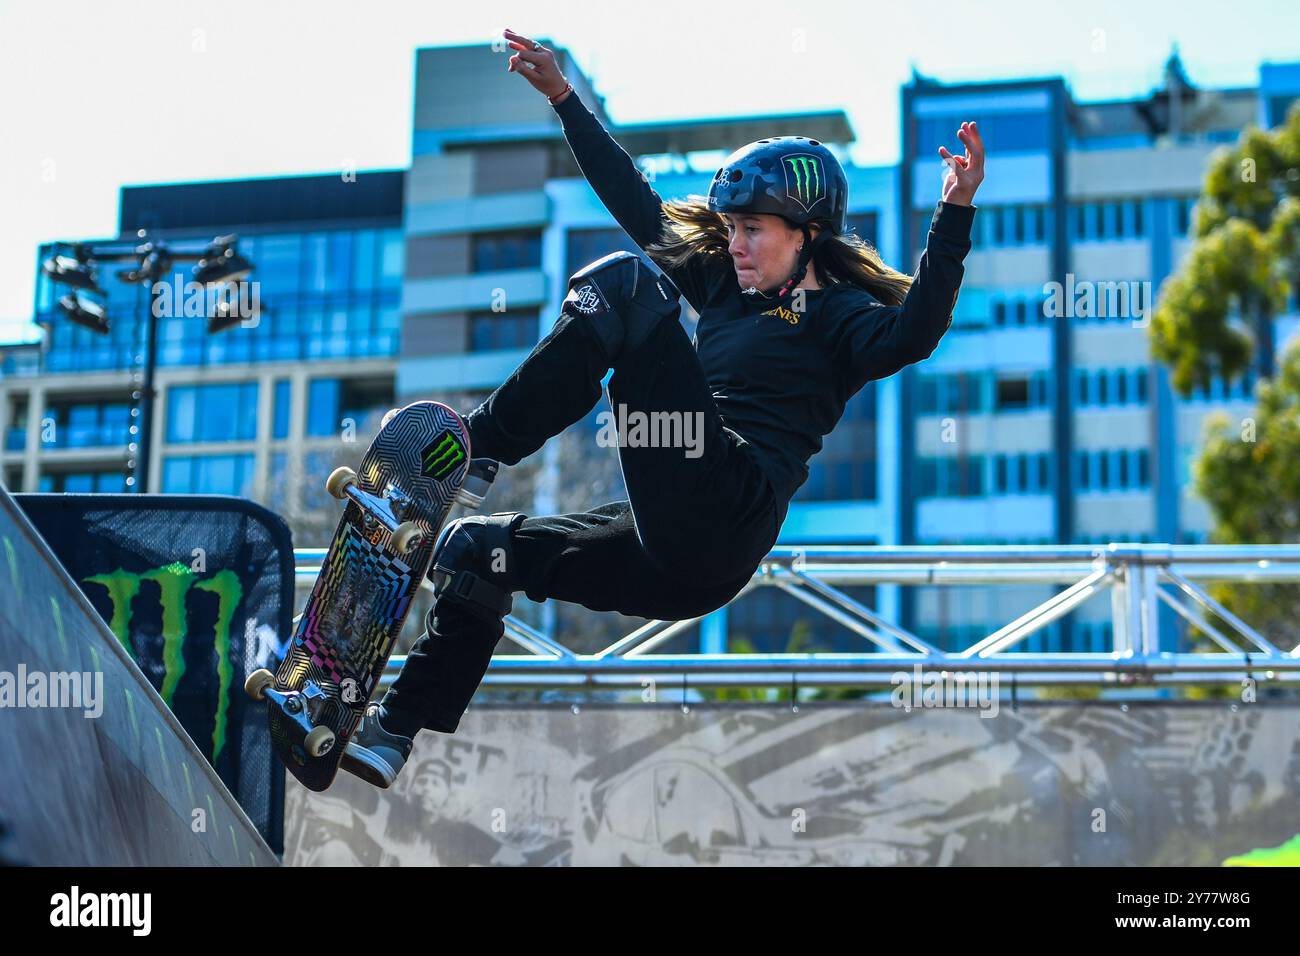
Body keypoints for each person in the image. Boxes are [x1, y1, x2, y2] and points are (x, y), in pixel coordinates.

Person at [340, 27, 985, 788]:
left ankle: (475, 450)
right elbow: (635, 203)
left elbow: (918, 330)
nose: (735, 246)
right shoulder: (721, 286)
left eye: (753, 231)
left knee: (624, 285)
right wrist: (563, 100)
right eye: (731, 230)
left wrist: (954, 216)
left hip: (734, 506)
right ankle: (391, 730)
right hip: (673, 555)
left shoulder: (841, 320)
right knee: (479, 552)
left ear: (807, 236)